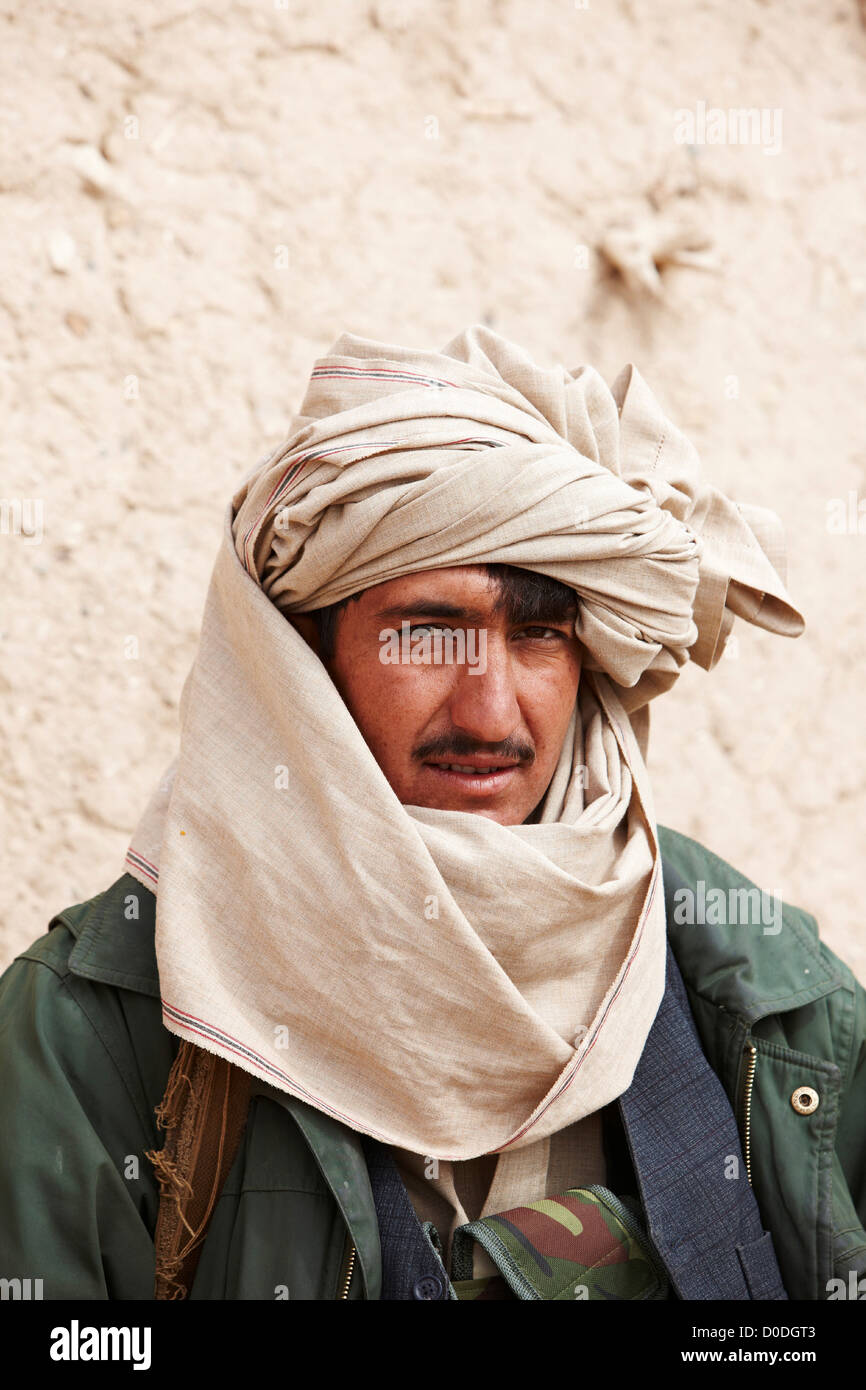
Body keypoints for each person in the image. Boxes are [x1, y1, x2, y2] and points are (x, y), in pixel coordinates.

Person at [1, 325, 864, 1302]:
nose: (490, 710)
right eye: (426, 630)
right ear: (304, 653)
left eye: (537, 632)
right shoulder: (94, 1030)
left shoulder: (763, 997)